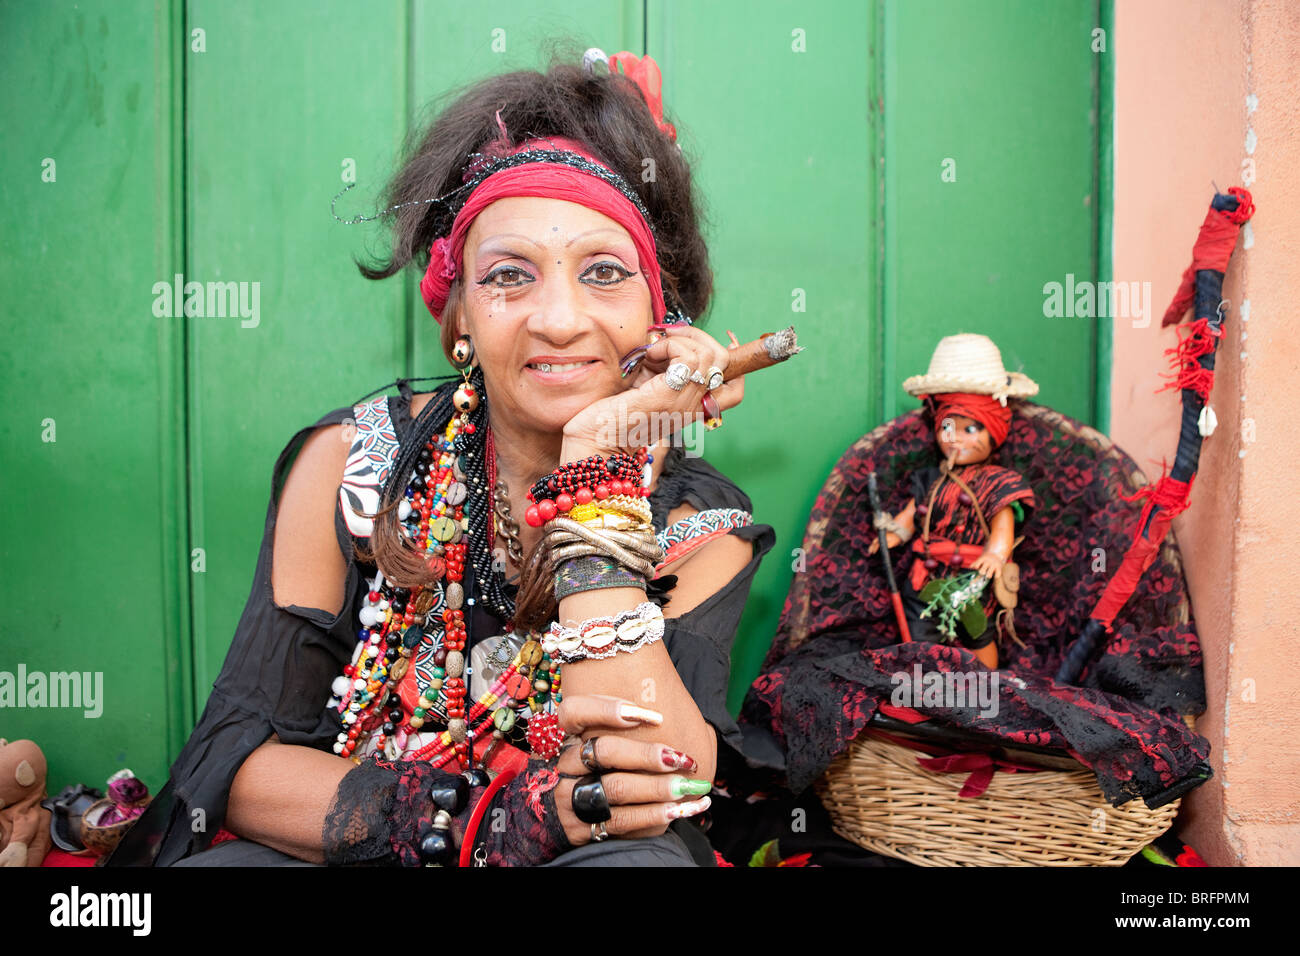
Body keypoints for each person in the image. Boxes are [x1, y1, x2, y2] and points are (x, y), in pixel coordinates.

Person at [107, 48, 774, 867]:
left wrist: (598, 468)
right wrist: (481, 823)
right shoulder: (350, 463)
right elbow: (240, 768)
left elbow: (665, 777)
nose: (559, 319)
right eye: (509, 276)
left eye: (604, 272)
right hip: (369, 845)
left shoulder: (701, 524)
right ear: (457, 317)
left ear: (658, 318)